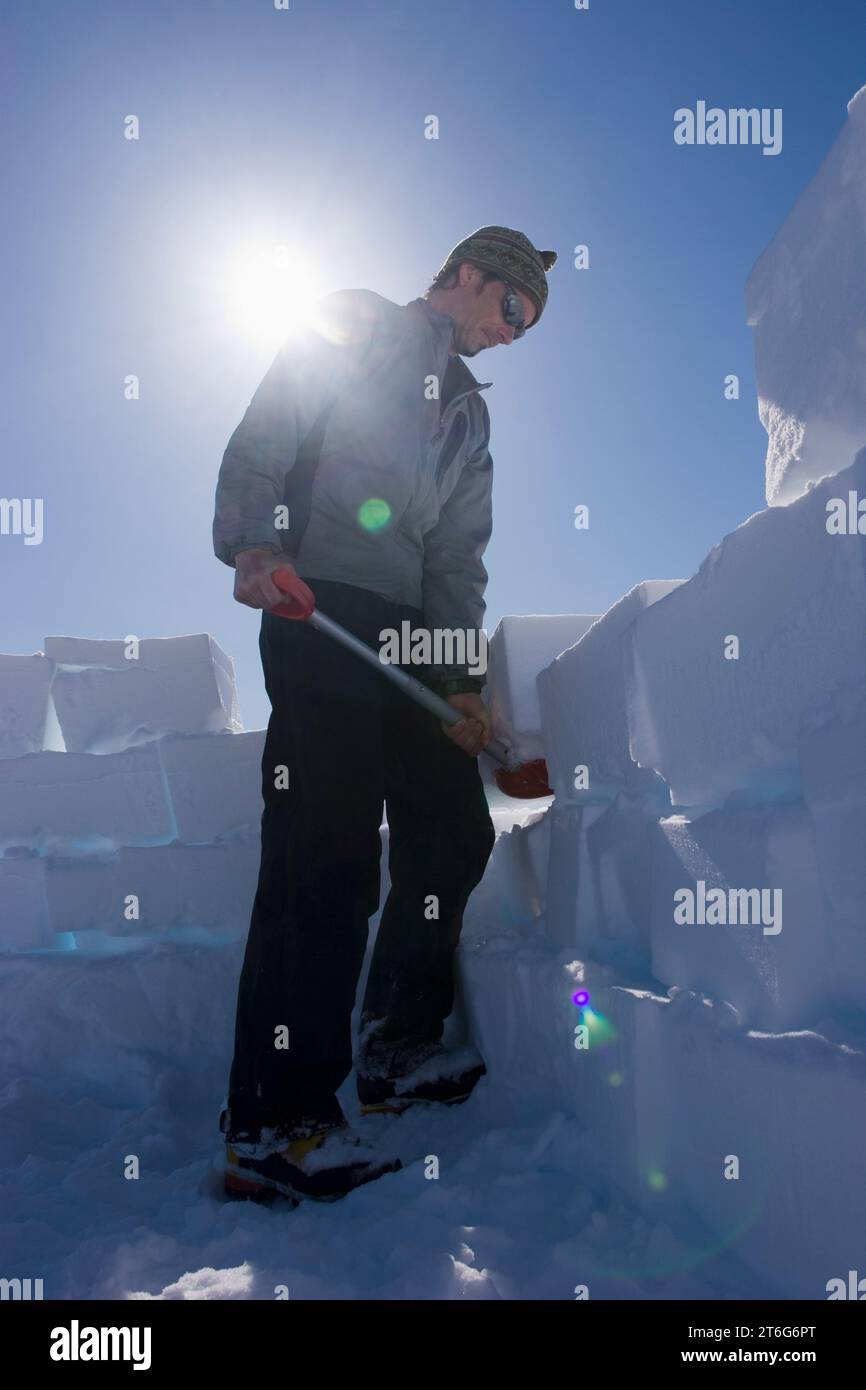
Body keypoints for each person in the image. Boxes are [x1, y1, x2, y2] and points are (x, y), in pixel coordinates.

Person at [212, 226, 556, 1201]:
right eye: (512, 310)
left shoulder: (468, 422)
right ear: (468, 276)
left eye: (525, 326)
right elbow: (271, 426)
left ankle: (396, 1049)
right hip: (317, 596)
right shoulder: (357, 321)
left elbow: (457, 559)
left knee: (450, 828)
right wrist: (254, 541)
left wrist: (457, 683)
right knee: (324, 850)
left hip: (409, 631)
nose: (510, 333)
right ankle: (272, 1121)